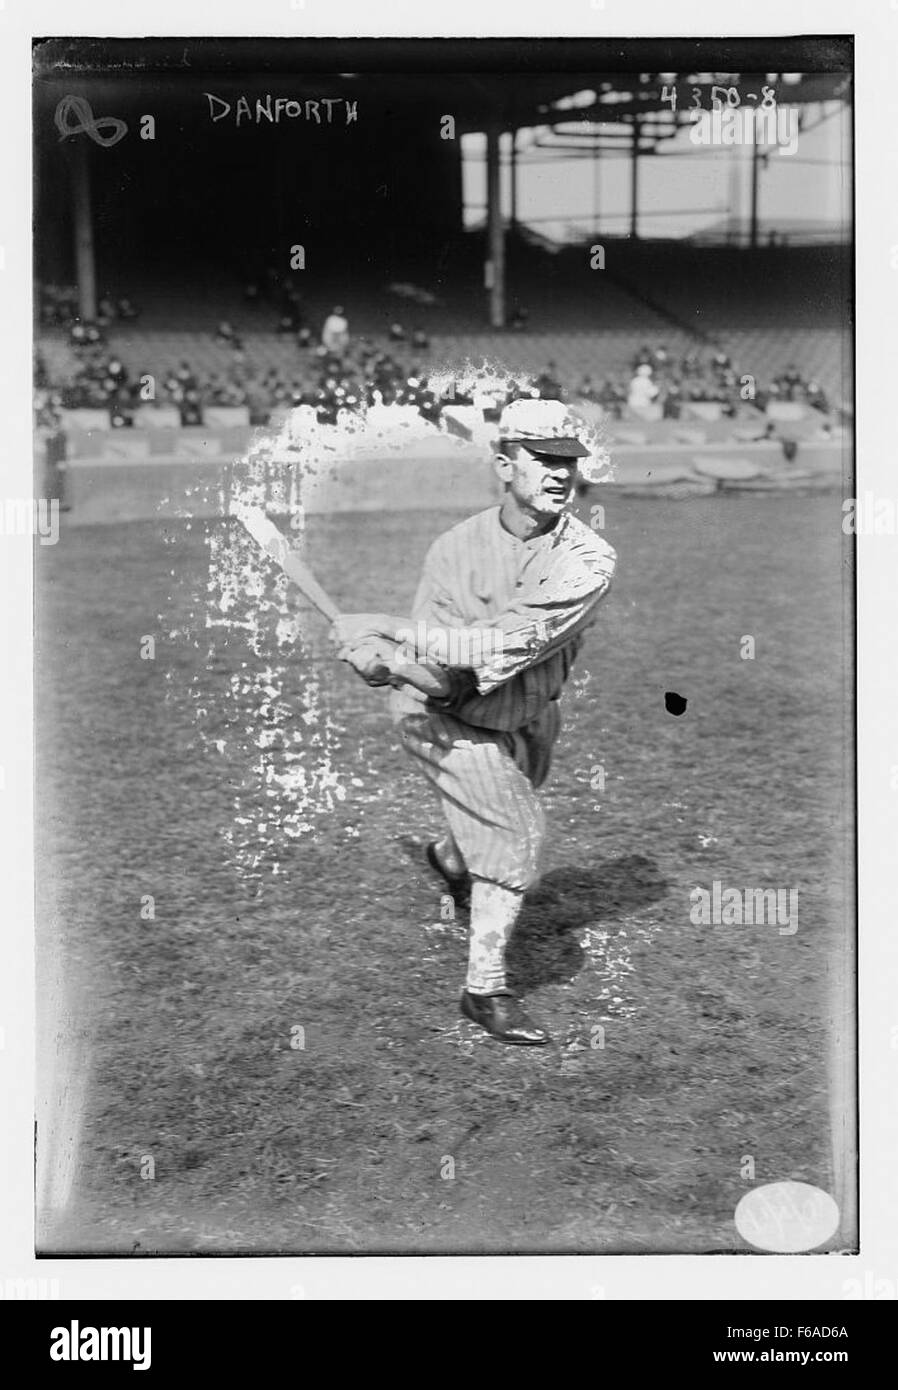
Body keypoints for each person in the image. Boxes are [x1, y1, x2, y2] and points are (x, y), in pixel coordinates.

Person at [329, 399, 617, 1045]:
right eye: (541, 459)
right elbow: (448, 682)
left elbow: (500, 647)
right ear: (502, 463)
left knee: (491, 817)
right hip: (439, 711)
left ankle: (448, 859)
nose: (559, 474)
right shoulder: (453, 550)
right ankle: (483, 990)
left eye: (568, 461)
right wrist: (392, 668)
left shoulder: (589, 560)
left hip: (530, 712)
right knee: (513, 829)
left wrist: (388, 633)